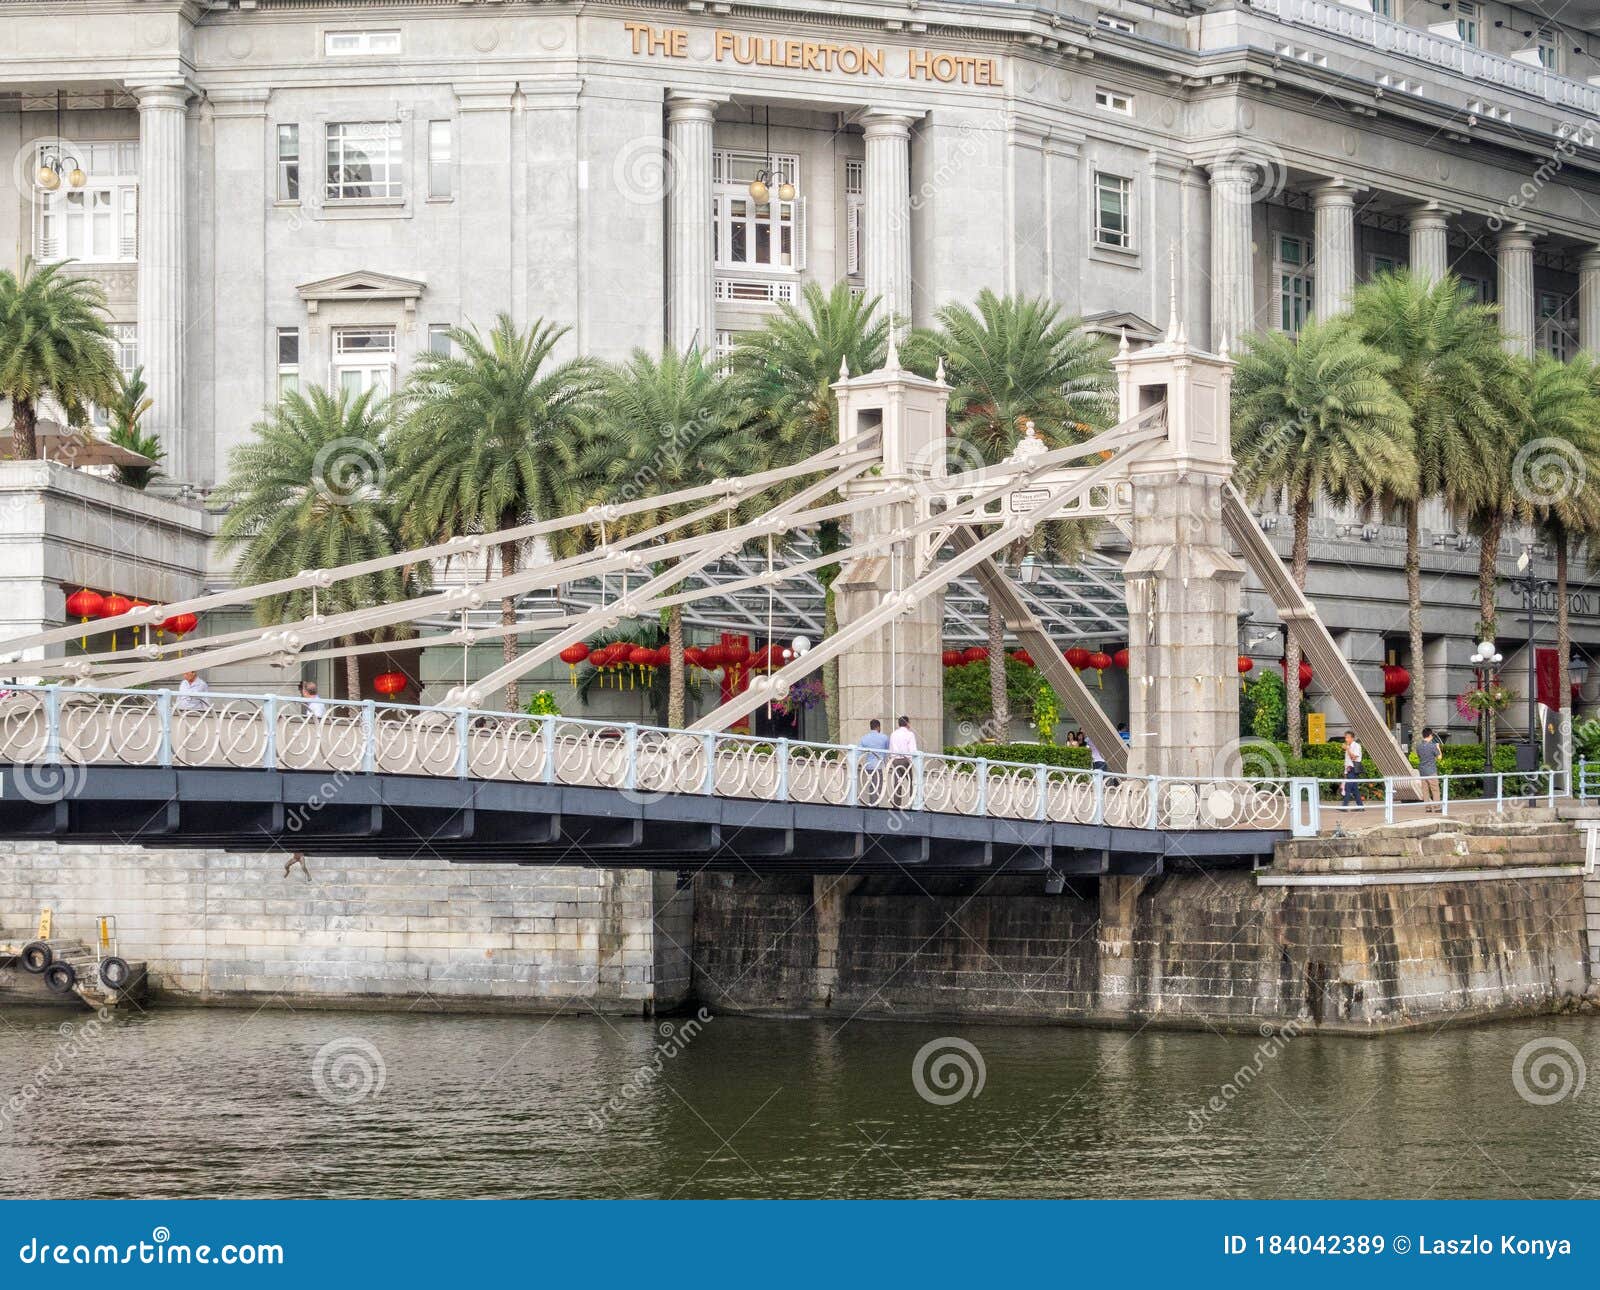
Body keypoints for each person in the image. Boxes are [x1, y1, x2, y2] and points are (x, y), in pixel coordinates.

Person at [887, 715, 918, 808]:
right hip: (906, 760)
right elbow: (913, 750)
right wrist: (912, 761)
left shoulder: (893, 734)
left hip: (895, 760)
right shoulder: (910, 734)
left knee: (897, 782)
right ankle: (913, 803)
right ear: (907, 723)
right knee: (913, 781)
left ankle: (896, 804)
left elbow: (891, 748)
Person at [858, 718, 890, 805]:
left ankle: (872, 804)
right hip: (880, 766)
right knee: (878, 787)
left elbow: (858, 752)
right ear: (878, 727)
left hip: (869, 766)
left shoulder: (864, 738)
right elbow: (888, 751)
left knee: (872, 786)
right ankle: (875, 805)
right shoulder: (884, 737)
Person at [1415, 726, 1441, 808]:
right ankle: (1437, 807)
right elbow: (1439, 757)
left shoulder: (1418, 746)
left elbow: (1419, 756)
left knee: (1425, 790)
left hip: (1422, 771)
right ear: (1430, 735)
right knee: (1435, 789)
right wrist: (1438, 747)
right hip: (1431, 771)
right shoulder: (1432, 746)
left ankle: (1428, 808)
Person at [1341, 730, 1364, 807]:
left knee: (1348, 787)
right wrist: (1345, 772)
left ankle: (1344, 806)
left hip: (1353, 769)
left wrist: (1347, 749)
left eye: (1347, 737)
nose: (1346, 739)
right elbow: (1347, 761)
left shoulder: (1356, 746)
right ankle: (1360, 806)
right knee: (1354, 789)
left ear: (1352, 738)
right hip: (1349, 769)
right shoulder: (1349, 746)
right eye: (1345, 737)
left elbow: (1354, 757)